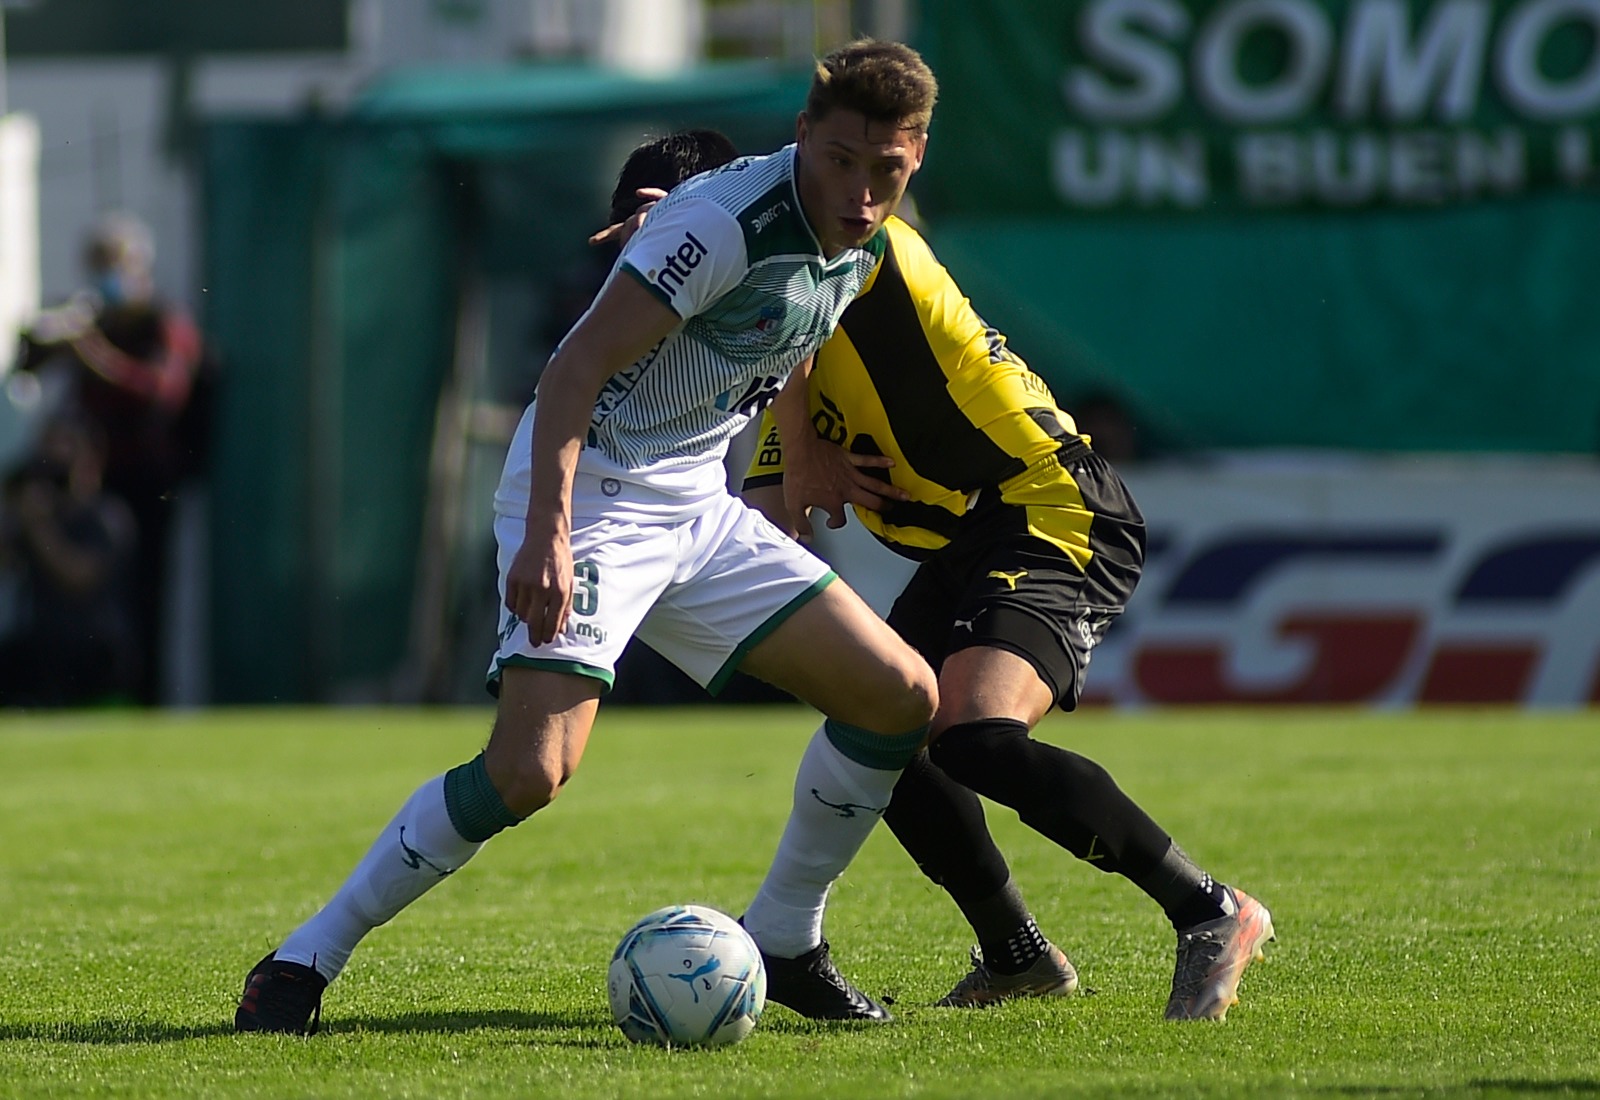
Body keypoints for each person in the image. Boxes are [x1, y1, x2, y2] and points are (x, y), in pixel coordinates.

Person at [234, 40, 942, 1035]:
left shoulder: (863, 239)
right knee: (529, 772)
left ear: (914, 156)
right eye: (840, 160)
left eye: (887, 169)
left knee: (899, 694)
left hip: (696, 504)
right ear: (802, 138)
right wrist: (546, 537)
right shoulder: (723, 223)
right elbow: (569, 375)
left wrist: (797, 456)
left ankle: (784, 938)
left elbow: (793, 335)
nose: (862, 191)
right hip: (593, 495)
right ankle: (305, 956)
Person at [600, 138, 1275, 1020]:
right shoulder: (760, 360)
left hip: (1051, 502)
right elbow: (761, 520)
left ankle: (1212, 912)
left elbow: (814, 248)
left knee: (975, 736)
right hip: (972, 540)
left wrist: (802, 445)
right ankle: (1017, 955)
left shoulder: (854, 242)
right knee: (881, 715)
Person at [15, 213, 214, 704]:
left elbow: (161, 391)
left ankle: (148, 698)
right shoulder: (94, 320)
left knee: (146, 596)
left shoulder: (164, 323)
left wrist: (92, 354)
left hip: (149, 482)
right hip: (93, 486)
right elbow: (29, 365)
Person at [0, 412, 140, 707]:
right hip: (43, 653)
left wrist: (37, 527)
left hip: (94, 659)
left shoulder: (106, 515)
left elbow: (78, 577)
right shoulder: (38, 513)